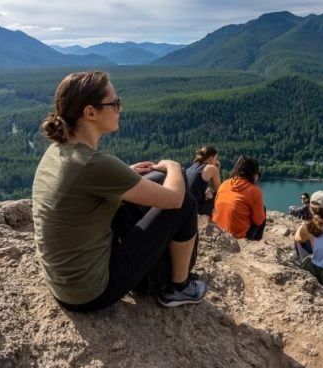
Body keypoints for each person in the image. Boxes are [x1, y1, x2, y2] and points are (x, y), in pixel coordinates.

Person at [32, 71, 206, 311]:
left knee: (154, 178)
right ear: (90, 112)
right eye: (115, 103)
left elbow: (88, 185)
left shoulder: (59, 150)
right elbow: (175, 200)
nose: (119, 109)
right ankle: (179, 286)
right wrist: (175, 165)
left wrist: (126, 174)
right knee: (185, 202)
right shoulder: (93, 164)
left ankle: (153, 271)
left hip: (66, 283)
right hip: (91, 293)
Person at [212, 156, 266, 240]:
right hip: (236, 235)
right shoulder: (254, 191)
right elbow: (259, 220)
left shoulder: (225, 183)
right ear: (254, 174)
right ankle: (254, 241)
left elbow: (215, 206)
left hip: (217, 229)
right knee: (263, 210)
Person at [186, 145, 221, 216]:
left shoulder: (192, 167)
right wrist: (218, 168)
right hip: (196, 208)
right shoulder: (211, 168)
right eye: (216, 158)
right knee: (222, 198)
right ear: (211, 158)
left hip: (185, 204)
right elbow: (218, 190)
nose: (216, 161)